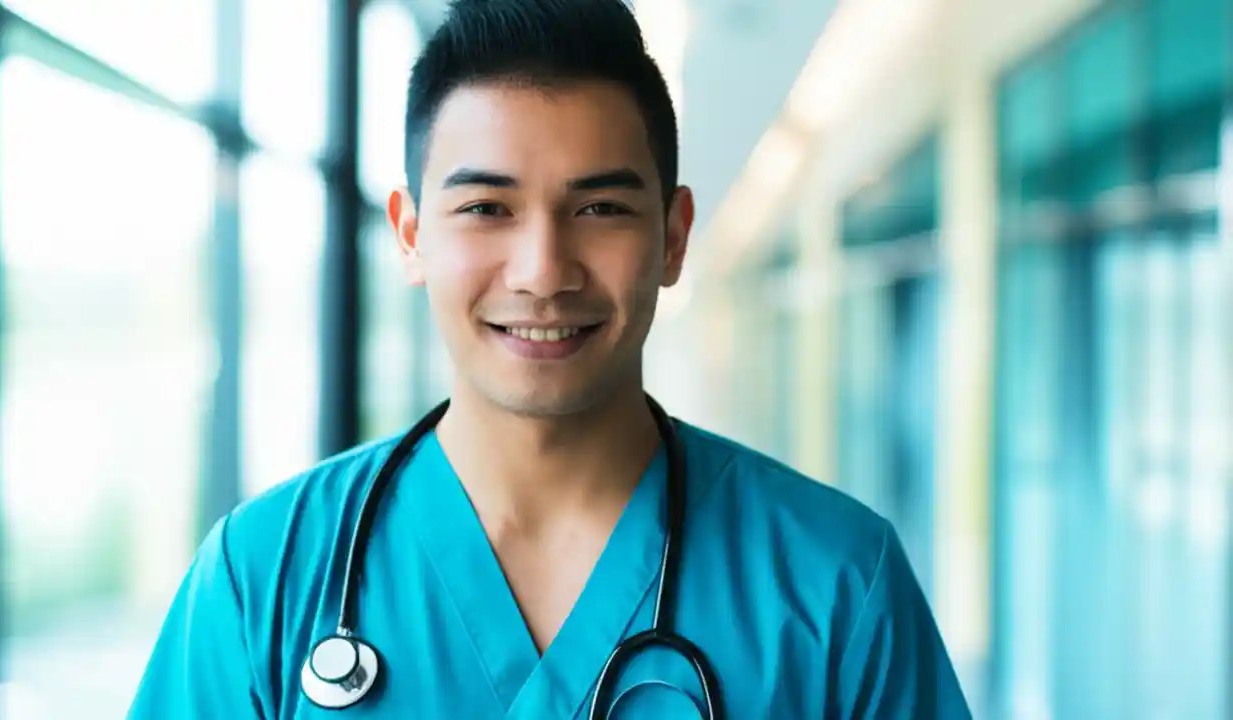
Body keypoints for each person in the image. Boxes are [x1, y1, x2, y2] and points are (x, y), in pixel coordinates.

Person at [129, 0, 971, 717]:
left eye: (600, 207)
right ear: (412, 235)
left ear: (674, 236)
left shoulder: (834, 585)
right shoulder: (266, 575)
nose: (542, 271)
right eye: (488, 207)